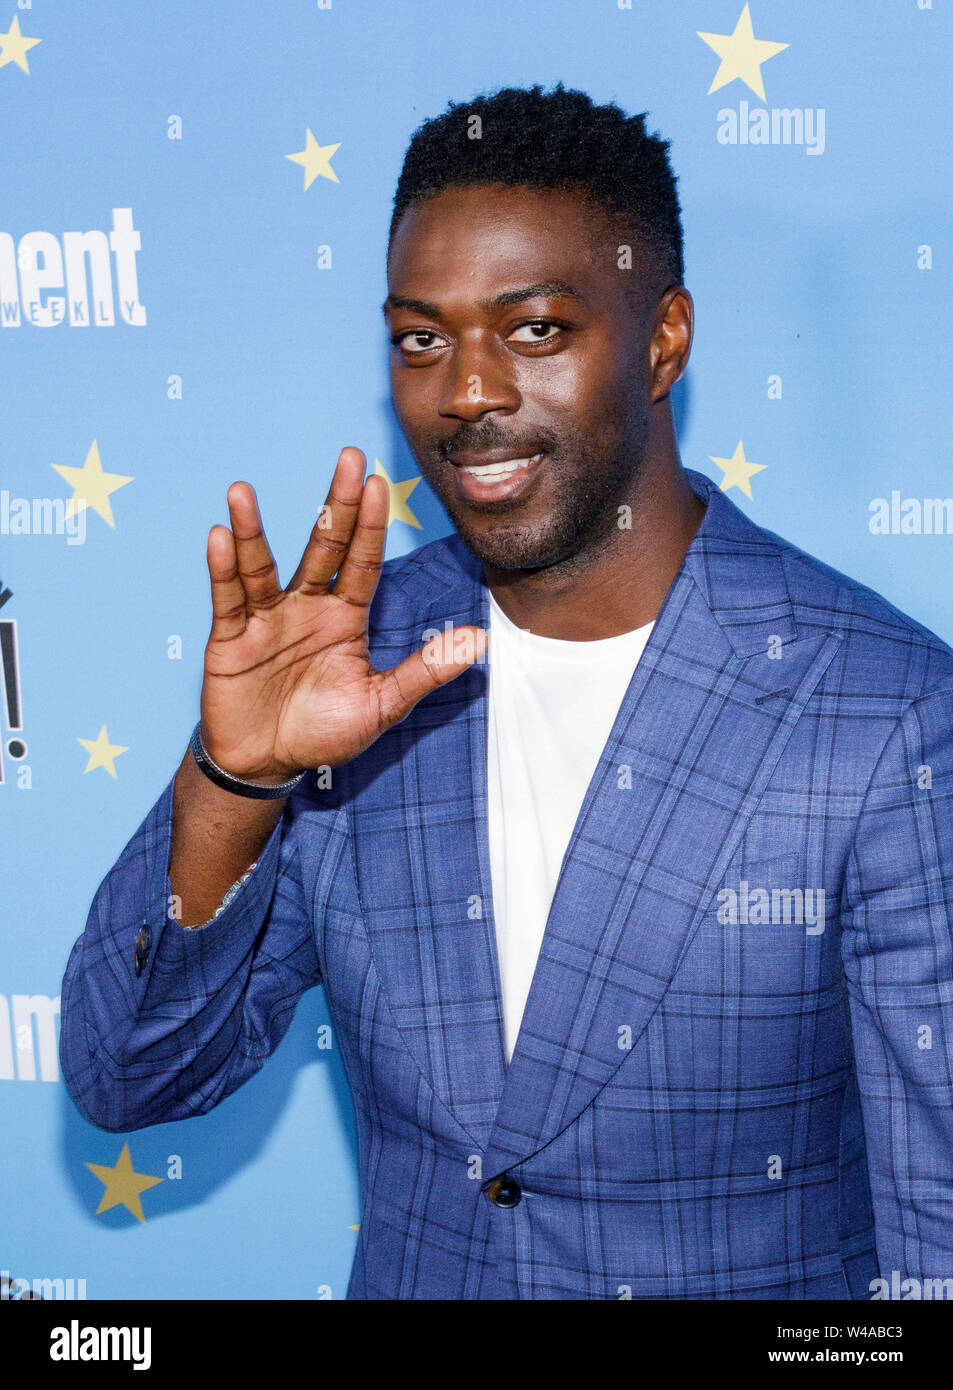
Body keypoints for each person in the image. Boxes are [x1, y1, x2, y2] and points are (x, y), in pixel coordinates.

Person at [60, 84, 953, 1301]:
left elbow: (933, 1232)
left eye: (531, 329)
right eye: (421, 338)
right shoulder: (348, 667)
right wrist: (237, 780)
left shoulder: (885, 711)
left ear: (662, 340)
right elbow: (126, 1079)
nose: (464, 390)